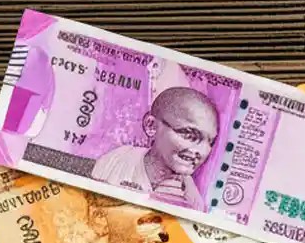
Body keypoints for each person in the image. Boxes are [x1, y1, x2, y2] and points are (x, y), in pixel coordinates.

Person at [90, 86, 218, 210]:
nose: (202, 151)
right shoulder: (116, 161)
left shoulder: (191, 198)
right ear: (151, 125)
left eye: (210, 142)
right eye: (189, 135)